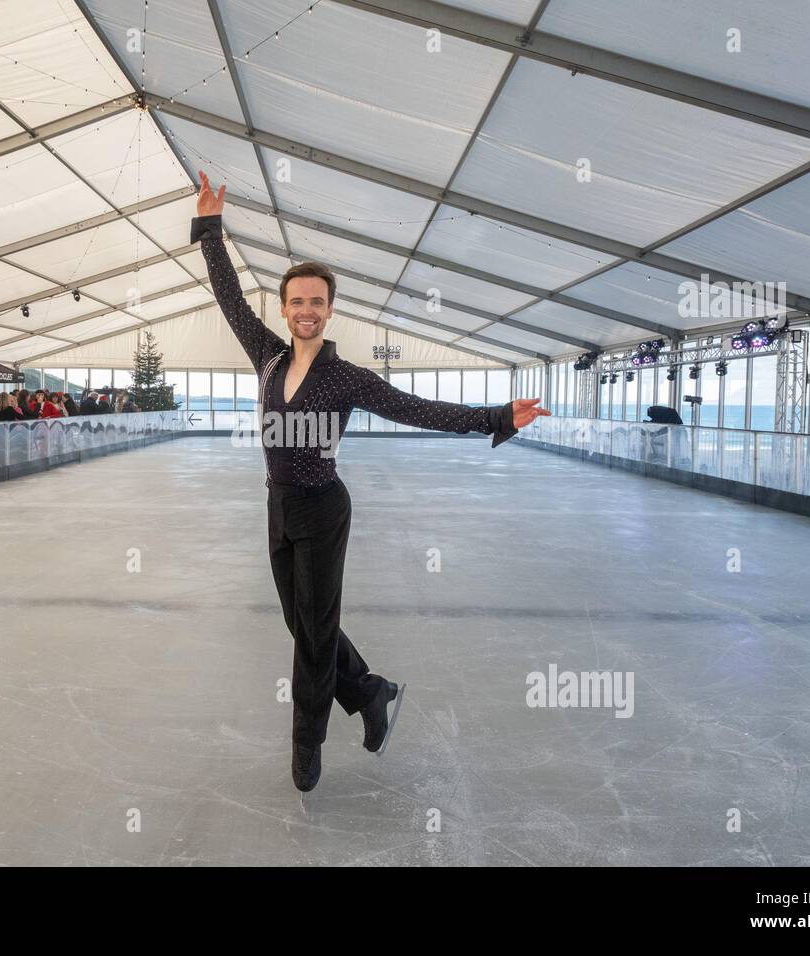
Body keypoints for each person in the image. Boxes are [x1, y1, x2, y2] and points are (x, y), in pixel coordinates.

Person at [192, 170, 550, 793]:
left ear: (330, 310)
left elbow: (420, 408)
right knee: (304, 624)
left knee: (311, 639)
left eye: (317, 302)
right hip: (278, 508)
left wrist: (495, 416)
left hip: (324, 510)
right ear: (284, 308)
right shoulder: (268, 355)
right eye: (296, 301)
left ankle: (307, 745)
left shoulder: (349, 378)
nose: (306, 311)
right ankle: (368, 689)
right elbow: (227, 296)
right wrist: (211, 230)